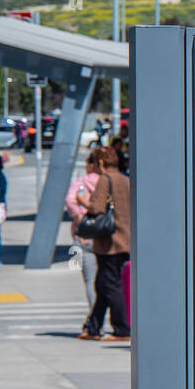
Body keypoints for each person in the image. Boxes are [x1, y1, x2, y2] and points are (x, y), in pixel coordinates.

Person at [79, 143, 130, 341]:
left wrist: (84, 202)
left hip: (110, 243)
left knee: (110, 285)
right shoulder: (125, 180)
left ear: (101, 162)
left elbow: (97, 208)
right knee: (102, 284)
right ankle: (93, 327)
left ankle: (121, 329)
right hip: (125, 240)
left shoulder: (105, 180)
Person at [65, 147, 102, 312]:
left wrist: (78, 216)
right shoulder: (105, 182)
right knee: (107, 279)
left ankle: (95, 316)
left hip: (85, 235)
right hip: (105, 235)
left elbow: (69, 200)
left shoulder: (80, 183)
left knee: (89, 279)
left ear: (91, 165)